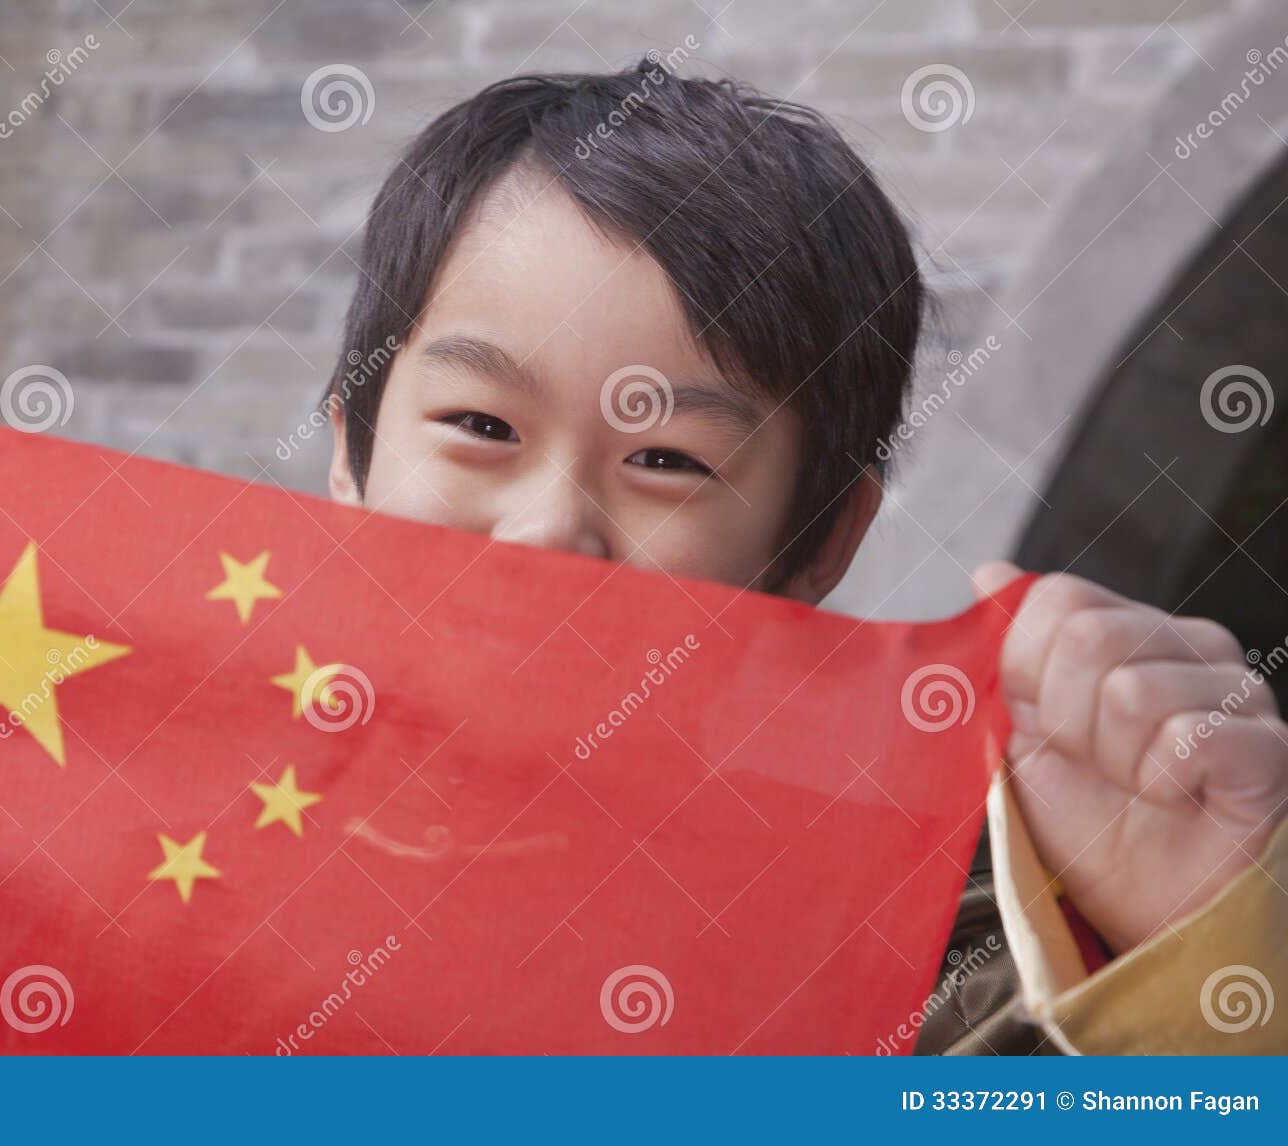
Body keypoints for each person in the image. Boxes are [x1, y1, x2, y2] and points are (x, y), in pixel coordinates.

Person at [320, 63, 1287, 1053]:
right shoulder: (171, 837)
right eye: (480, 424)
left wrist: (1199, 959)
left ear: (821, 541)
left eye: (665, 459)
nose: (546, 531)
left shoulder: (936, 975)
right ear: (348, 451)